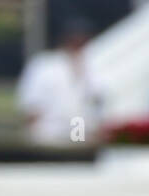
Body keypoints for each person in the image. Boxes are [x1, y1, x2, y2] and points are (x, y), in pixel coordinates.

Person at [16, 19, 105, 147]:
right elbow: (31, 106)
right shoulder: (45, 65)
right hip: (48, 136)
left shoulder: (92, 67)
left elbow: (95, 105)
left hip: (80, 138)